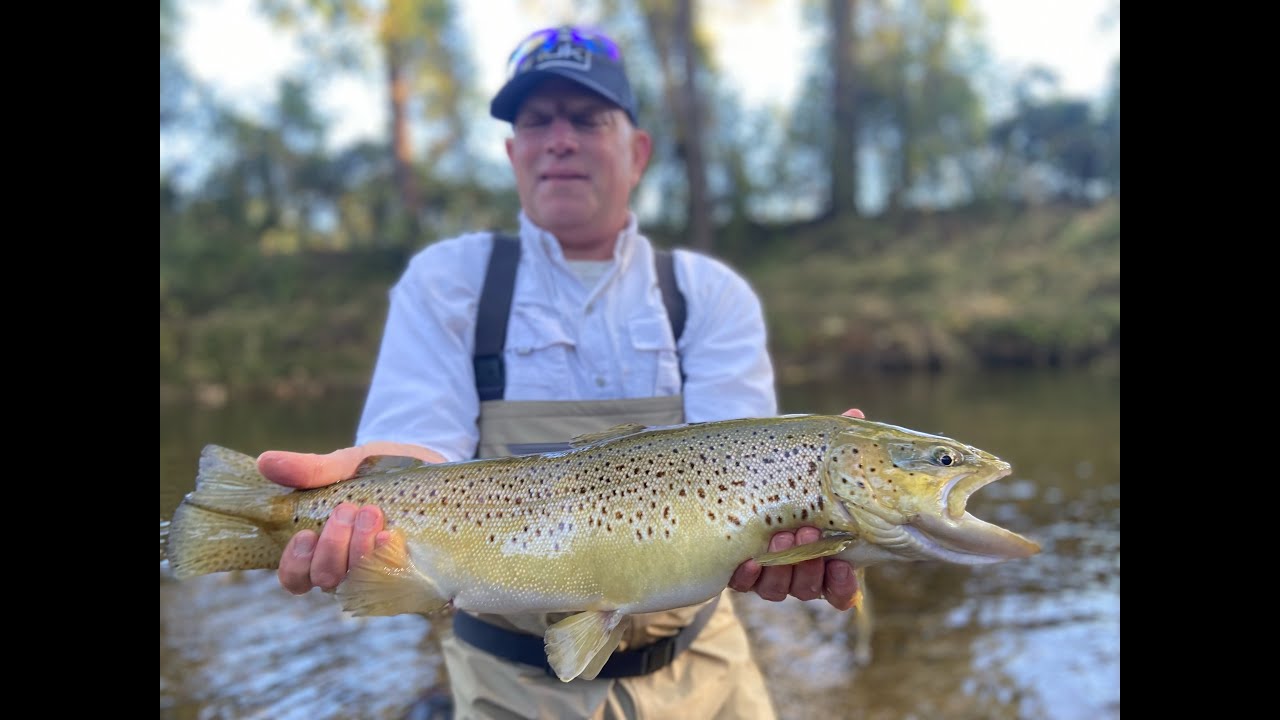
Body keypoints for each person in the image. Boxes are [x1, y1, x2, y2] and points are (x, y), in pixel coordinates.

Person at [257, 25, 861, 720]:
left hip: (707, 670)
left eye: (587, 118)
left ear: (638, 153)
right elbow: (417, 448)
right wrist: (364, 490)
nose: (560, 140)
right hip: (506, 683)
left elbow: (744, 469)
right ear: (513, 154)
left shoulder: (710, 293)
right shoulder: (447, 281)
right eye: (537, 121)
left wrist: (810, 494)